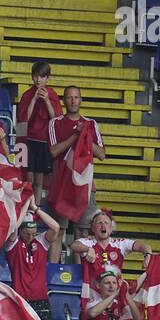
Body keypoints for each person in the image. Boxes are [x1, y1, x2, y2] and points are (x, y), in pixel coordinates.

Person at [47, 86, 106, 222]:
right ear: (64, 101)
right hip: (62, 184)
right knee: (57, 231)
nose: (73, 101)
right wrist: (76, 135)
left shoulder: (91, 124)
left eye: (76, 97)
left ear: (81, 100)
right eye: (69, 97)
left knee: (83, 231)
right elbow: (54, 151)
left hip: (84, 184)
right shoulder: (55, 123)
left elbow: (101, 155)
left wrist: (85, 136)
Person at [5, 202, 61, 320]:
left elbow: (56, 228)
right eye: (27, 233)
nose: (30, 237)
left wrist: (35, 208)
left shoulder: (41, 242)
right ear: (21, 230)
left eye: (34, 233)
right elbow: (13, 226)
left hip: (41, 298)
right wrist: (26, 205)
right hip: (20, 298)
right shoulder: (13, 244)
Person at [16, 61, 61, 201]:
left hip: (43, 141)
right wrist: (34, 99)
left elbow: (56, 119)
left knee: (39, 180)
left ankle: (36, 209)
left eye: (42, 77)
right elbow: (24, 120)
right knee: (26, 178)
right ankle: (25, 208)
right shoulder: (26, 95)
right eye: (35, 76)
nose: (38, 80)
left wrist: (47, 100)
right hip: (26, 140)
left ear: (48, 78)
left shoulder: (52, 95)